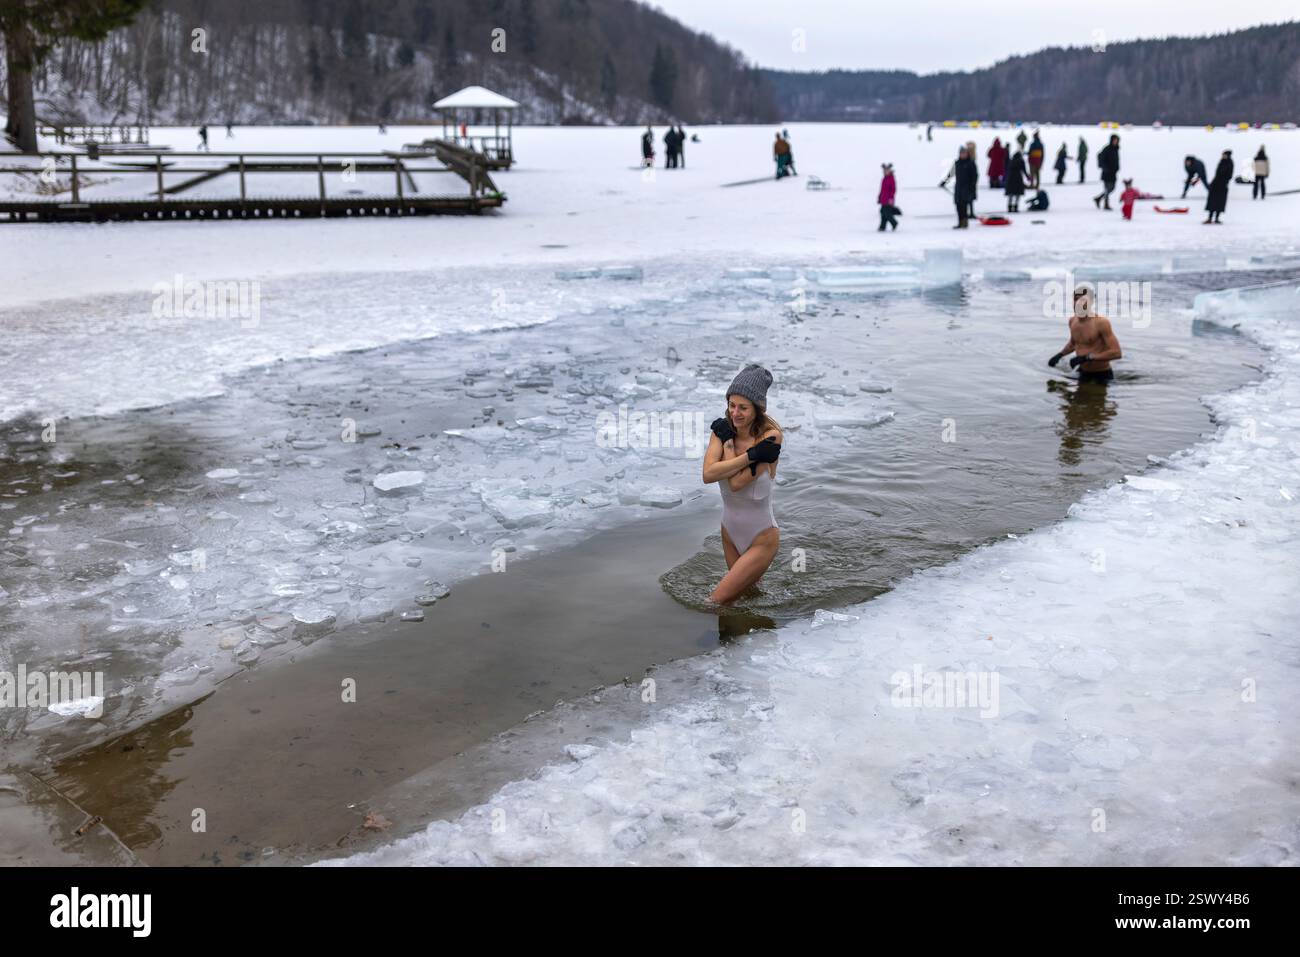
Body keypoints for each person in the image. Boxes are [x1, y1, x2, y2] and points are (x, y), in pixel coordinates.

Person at [703, 364, 783, 604]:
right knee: (745, 598)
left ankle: (703, 641)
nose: (735, 413)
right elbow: (708, 474)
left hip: (762, 537)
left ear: (757, 409)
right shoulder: (722, 432)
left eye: (743, 408)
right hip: (729, 532)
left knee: (716, 600)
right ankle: (746, 637)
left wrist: (730, 450)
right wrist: (747, 454)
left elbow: (736, 483)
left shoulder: (770, 438)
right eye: (731, 405)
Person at [1048, 285, 1123, 385]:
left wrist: (1087, 357)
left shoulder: (1101, 323)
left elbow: (1116, 353)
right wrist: (1059, 355)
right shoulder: (1072, 321)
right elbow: (1073, 343)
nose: (1078, 302)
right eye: (1075, 299)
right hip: (1082, 371)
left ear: (1091, 302)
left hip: (1101, 374)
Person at [1205, 150, 1232, 224]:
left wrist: (1224, 181)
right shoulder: (1221, 162)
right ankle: (1210, 218)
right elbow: (1217, 174)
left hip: (1222, 185)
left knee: (1219, 203)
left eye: (1224, 155)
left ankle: (1217, 218)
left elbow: (1228, 175)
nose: (1223, 156)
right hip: (1215, 185)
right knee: (1212, 202)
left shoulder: (1229, 163)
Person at [953, 145, 978, 228]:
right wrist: (944, 182)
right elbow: (952, 173)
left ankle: (964, 222)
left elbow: (975, 176)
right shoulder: (957, 163)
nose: (963, 155)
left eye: (964, 153)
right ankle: (960, 222)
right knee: (958, 206)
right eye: (961, 153)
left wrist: (972, 185)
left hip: (967, 187)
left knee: (964, 206)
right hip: (958, 187)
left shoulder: (970, 163)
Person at [1093, 134, 1119, 210]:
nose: (1115, 142)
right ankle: (1106, 204)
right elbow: (1101, 159)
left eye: (1116, 140)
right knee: (1107, 188)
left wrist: (1117, 168)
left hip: (1113, 172)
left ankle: (1098, 198)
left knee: (1112, 188)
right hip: (1107, 172)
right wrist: (1105, 168)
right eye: (1114, 140)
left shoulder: (1116, 149)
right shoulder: (1107, 149)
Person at [878, 162, 900, 231]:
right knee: (882, 212)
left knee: (886, 213)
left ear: (890, 171)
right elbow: (882, 190)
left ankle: (894, 223)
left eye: (887, 170)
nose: (885, 172)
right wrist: (879, 197)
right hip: (883, 199)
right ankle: (882, 226)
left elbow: (893, 189)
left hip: (889, 199)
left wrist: (891, 198)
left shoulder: (891, 179)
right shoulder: (884, 179)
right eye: (884, 171)